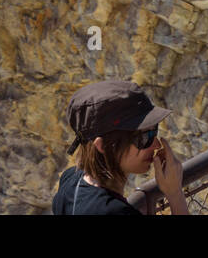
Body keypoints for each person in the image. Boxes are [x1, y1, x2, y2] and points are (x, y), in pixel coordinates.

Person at [54, 79, 189, 215]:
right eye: (143, 137)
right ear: (104, 146)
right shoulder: (116, 211)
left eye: (154, 131)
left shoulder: (71, 179)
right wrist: (175, 193)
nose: (156, 145)